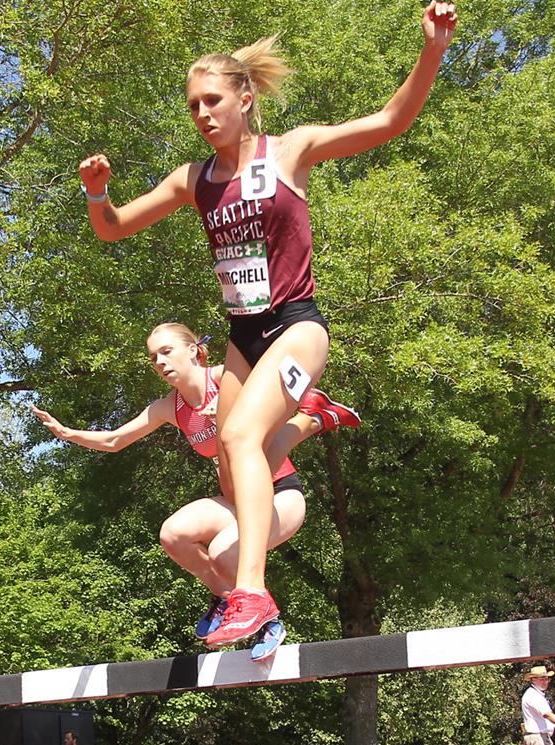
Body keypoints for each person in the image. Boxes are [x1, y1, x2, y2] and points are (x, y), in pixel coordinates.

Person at [77, 3, 458, 649]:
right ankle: (301, 436)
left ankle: (249, 590)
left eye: (212, 100)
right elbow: (112, 228)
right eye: (193, 105)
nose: (201, 114)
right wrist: (95, 192)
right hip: (243, 337)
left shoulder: (292, 150)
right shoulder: (193, 180)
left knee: (244, 434)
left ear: (245, 98)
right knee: (229, 457)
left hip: (296, 324)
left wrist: (433, 47)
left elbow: (393, 121)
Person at [31, 323, 357, 659]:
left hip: (279, 495)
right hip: (235, 500)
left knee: (222, 553)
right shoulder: (169, 407)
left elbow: (279, 374)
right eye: (154, 357)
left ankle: (268, 623)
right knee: (173, 534)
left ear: (192, 350)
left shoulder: (225, 379)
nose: (160, 362)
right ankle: (225, 597)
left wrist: (260, 401)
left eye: (167, 351)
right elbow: (115, 440)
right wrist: (67, 433)